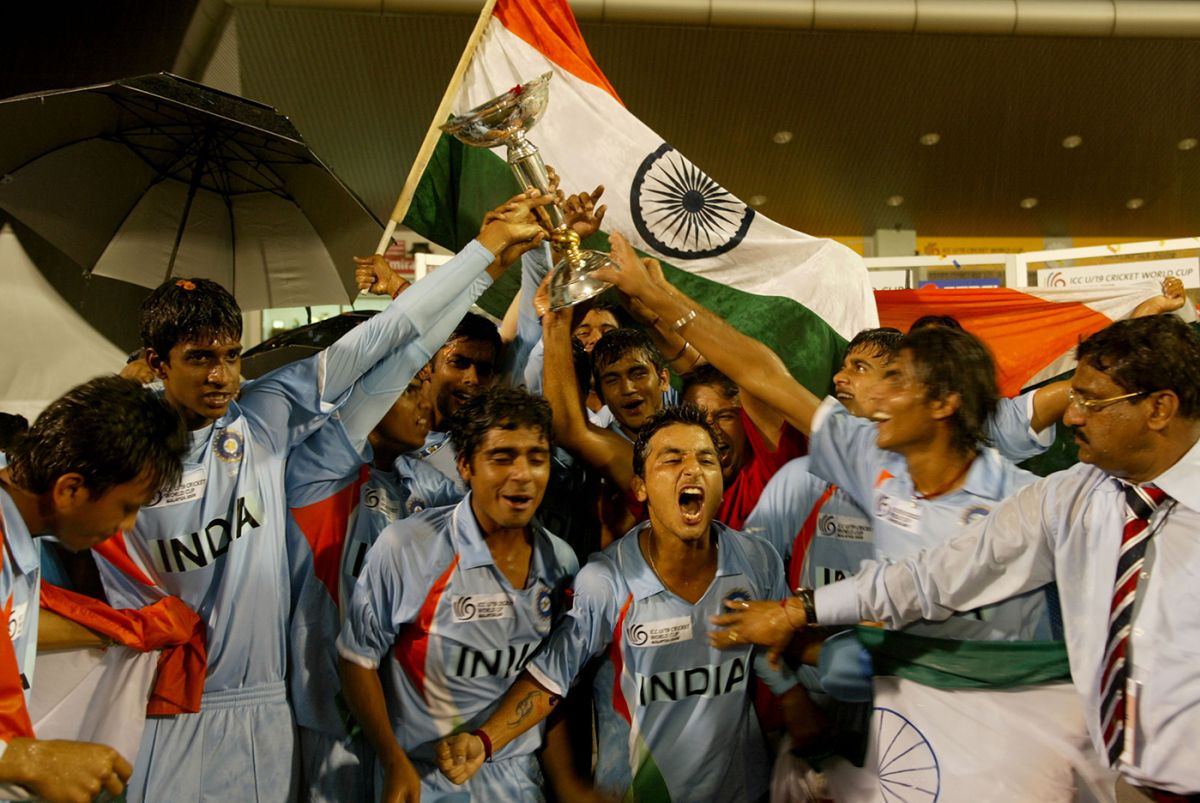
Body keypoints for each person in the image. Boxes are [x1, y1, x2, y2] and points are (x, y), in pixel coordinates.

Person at [93, 207, 548, 802]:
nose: (222, 376)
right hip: (165, 705)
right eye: (200, 359)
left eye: (230, 356)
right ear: (157, 363)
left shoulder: (261, 415)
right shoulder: (114, 451)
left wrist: (482, 259)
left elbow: (393, 342)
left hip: (268, 704)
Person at [713, 314, 1200, 799]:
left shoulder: (1013, 491)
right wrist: (800, 610)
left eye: (1092, 401)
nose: (1072, 415)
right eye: (1075, 397)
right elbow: (931, 577)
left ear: (1159, 408)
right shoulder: (1070, 497)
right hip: (1121, 780)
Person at [435, 405, 802, 802]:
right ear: (640, 486)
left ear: (721, 479)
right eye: (673, 459)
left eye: (705, 459)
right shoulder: (606, 581)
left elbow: (778, 646)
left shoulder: (757, 558)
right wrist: (485, 741)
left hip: (745, 792)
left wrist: (802, 693)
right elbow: (550, 679)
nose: (692, 469)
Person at [337, 387, 581, 802]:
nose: (522, 474)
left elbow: (551, 683)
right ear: (465, 465)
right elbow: (357, 661)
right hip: (425, 781)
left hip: (518, 780)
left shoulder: (560, 561)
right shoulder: (407, 548)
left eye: (535, 458)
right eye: (502, 457)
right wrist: (393, 760)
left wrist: (566, 785)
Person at [0, 376, 185, 803]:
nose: (128, 526)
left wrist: (120, 630)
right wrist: (31, 761)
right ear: (70, 489)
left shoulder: (19, 538)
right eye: (127, 507)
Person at [681, 364, 805, 529]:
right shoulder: (668, 484)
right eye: (697, 419)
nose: (711, 430)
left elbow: (755, 371)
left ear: (747, 422)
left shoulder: (767, 477)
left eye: (725, 416)